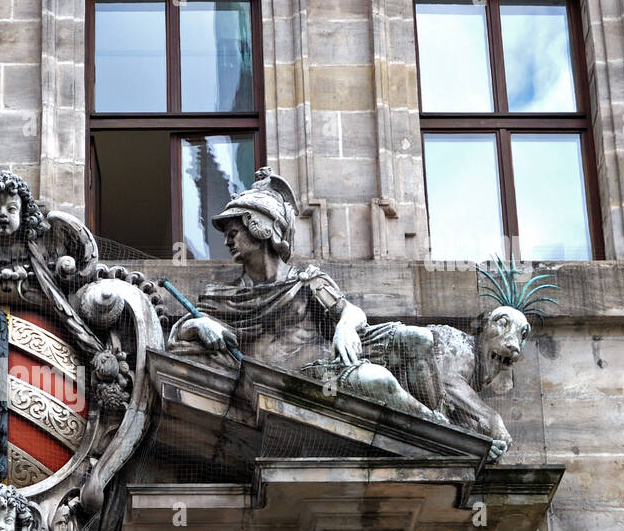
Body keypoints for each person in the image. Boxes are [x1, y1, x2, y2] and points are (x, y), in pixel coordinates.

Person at [172, 167, 443, 422]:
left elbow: (351, 311)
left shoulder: (305, 281)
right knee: (378, 381)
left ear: (261, 228)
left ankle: (446, 427)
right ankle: (440, 430)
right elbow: (177, 336)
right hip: (303, 378)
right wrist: (200, 324)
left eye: (234, 233)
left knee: (418, 339)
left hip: (333, 356)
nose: (226, 241)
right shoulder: (228, 296)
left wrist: (346, 327)